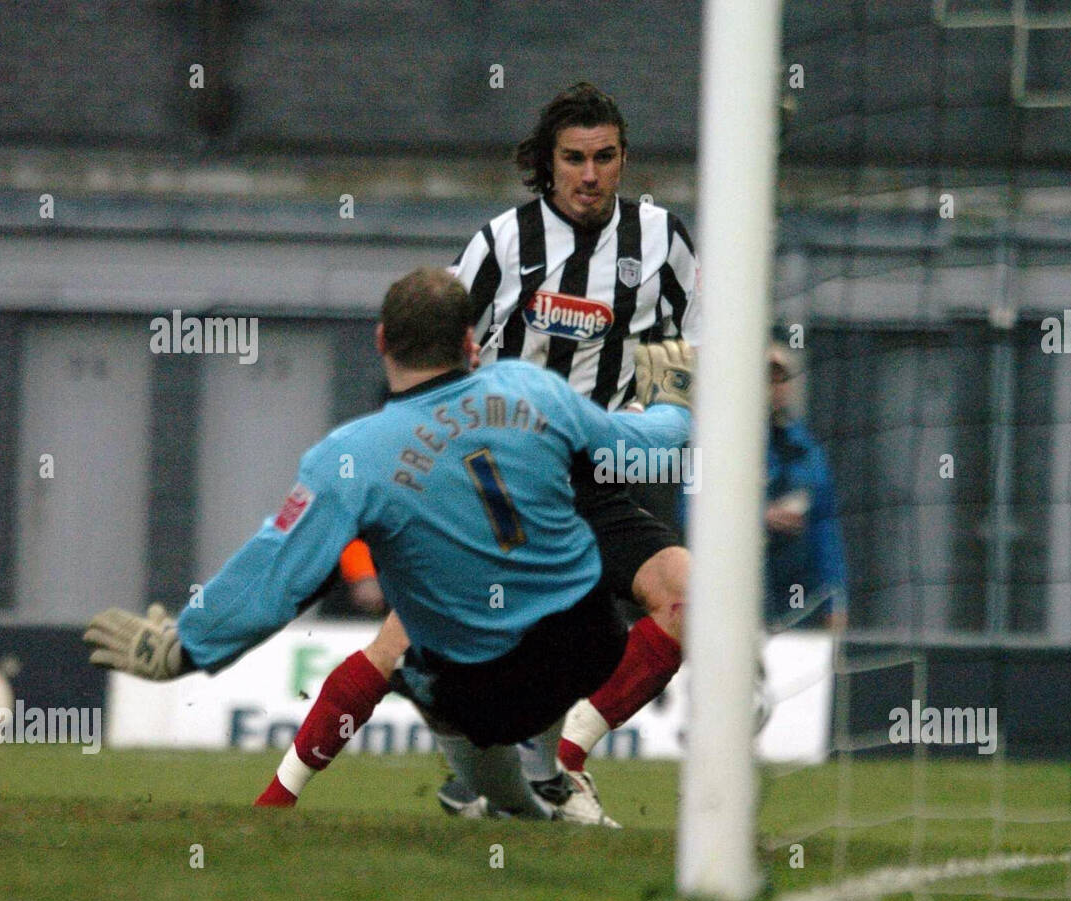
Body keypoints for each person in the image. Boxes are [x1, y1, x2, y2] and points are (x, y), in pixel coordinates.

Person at [83, 268, 695, 821]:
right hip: (590, 645)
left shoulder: (351, 455)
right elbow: (640, 449)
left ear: (380, 342)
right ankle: (547, 783)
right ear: (470, 343)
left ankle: (515, 801)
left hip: (482, 692)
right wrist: (672, 402)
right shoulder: (532, 389)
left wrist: (185, 649)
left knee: (411, 660)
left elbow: (276, 577)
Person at [256, 82, 700, 821]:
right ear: (547, 164)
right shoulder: (499, 246)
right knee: (400, 645)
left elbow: (674, 354)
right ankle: (275, 800)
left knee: (691, 601)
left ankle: (562, 763)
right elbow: (432, 352)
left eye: (605, 157)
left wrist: (657, 431)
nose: (590, 175)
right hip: (502, 482)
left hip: (597, 478)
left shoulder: (663, 243)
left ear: (624, 160)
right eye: (574, 159)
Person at [764, 345, 848, 631]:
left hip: (797, 609)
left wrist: (835, 603)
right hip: (732, 603)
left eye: (780, 379)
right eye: (765, 378)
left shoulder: (807, 451)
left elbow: (825, 531)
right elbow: (691, 515)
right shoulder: (715, 444)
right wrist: (758, 517)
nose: (773, 388)